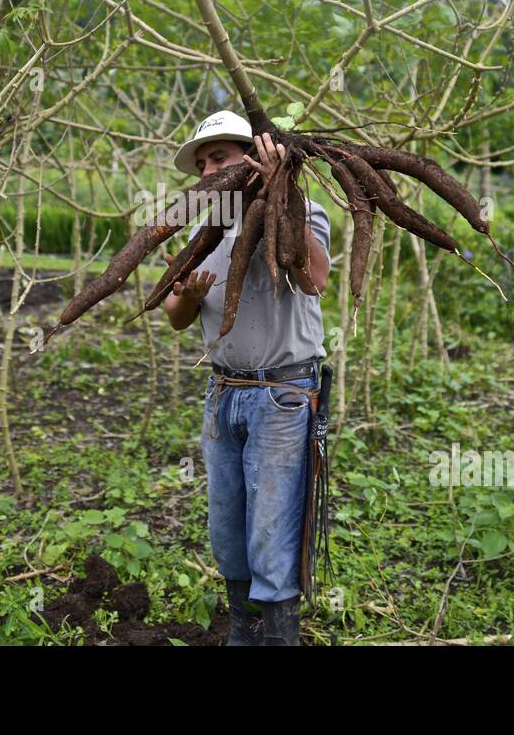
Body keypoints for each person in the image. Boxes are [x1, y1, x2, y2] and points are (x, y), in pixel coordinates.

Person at [162, 110, 331, 646]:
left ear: (255, 157)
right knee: (228, 530)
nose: (212, 168)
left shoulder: (303, 211)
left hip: (283, 394)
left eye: (223, 156)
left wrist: (281, 195)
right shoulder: (201, 231)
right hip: (223, 393)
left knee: (271, 532)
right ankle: (243, 633)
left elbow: (315, 278)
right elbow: (175, 314)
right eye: (204, 161)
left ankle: (279, 639)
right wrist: (186, 296)